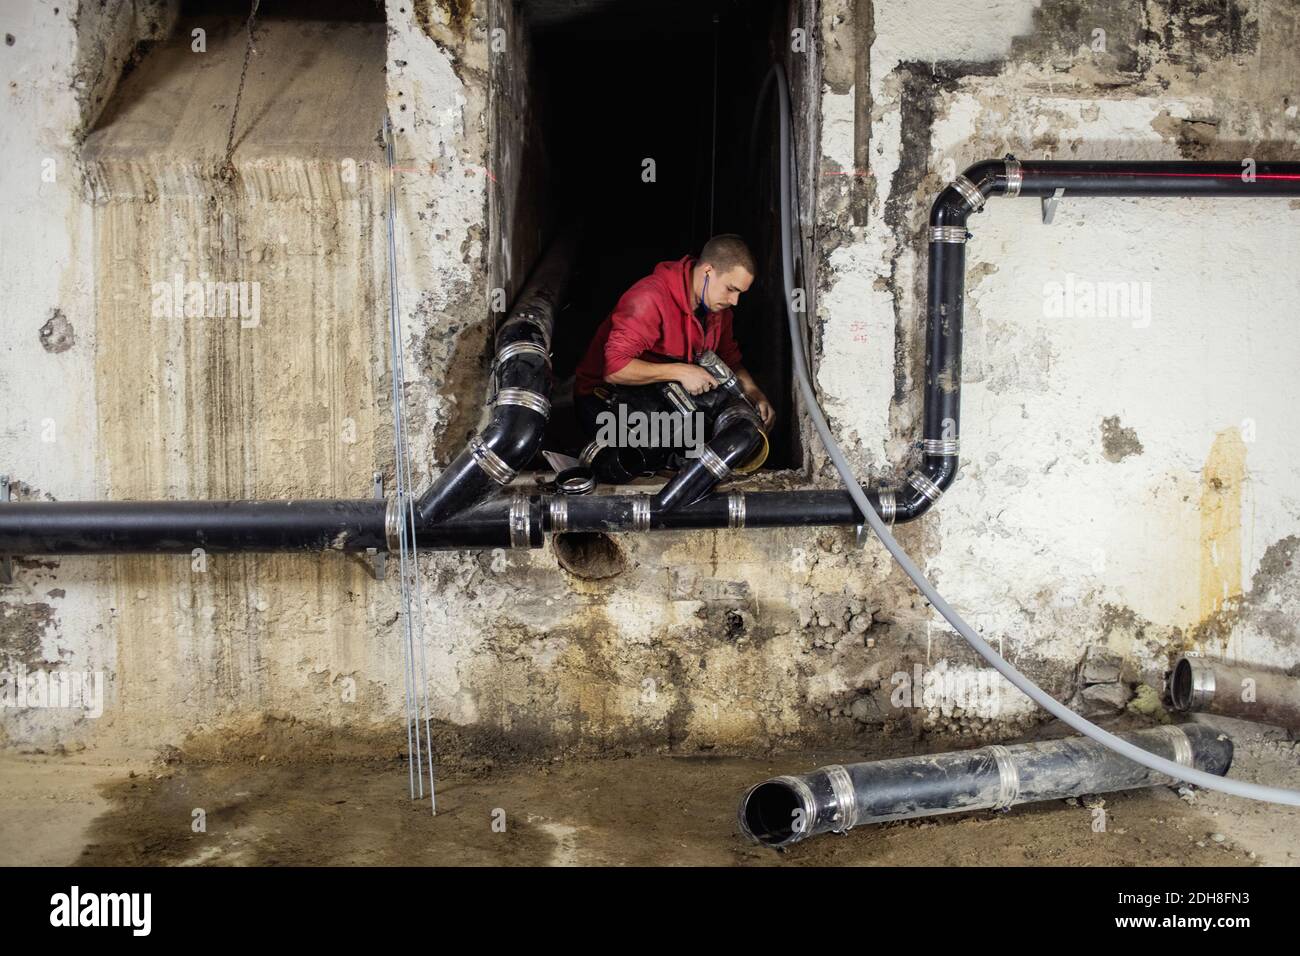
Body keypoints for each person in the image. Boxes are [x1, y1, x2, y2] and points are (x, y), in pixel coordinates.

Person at [574, 234, 775, 444]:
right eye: (731, 289)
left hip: (658, 393)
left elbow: (729, 360)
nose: (734, 301)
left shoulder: (718, 309)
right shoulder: (649, 298)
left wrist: (753, 393)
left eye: (740, 293)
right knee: (670, 447)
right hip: (603, 400)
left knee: (718, 419)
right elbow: (615, 369)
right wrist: (681, 371)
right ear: (708, 271)